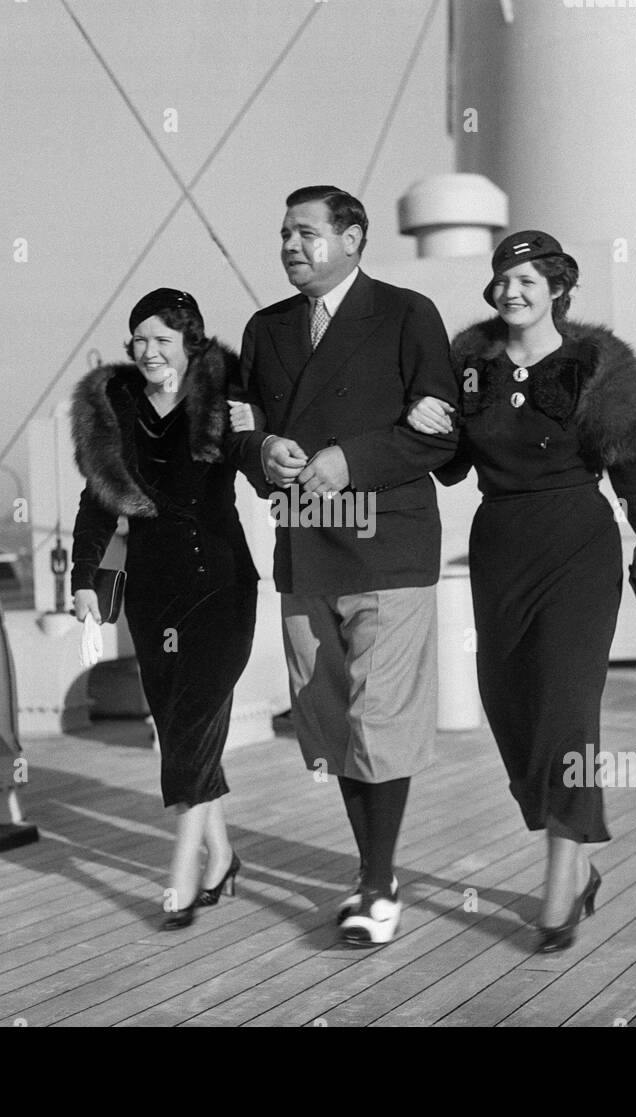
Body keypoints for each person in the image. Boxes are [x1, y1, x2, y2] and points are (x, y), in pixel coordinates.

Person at [406, 230, 636, 952]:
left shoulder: (598, 365)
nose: (511, 289)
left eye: (528, 278)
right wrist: (430, 420)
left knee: (565, 713)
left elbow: (632, 474)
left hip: (577, 550)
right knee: (509, 707)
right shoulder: (471, 363)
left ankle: (559, 888)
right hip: (499, 547)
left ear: (559, 287)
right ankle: (579, 855)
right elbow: (452, 468)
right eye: (502, 277)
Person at [227, 186, 458, 946]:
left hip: (387, 545)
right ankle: (374, 867)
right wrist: (261, 450)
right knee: (330, 717)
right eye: (284, 233)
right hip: (305, 542)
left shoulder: (406, 315)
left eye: (307, 232)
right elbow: (236, 427)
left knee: (378, 716)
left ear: (353, 237)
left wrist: (349, 458)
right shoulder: (265, 330)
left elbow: (440, 435)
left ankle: (375, 881)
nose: (291, 245)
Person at [70, 288, 258, 931]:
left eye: (162, 339)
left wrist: (255, 434)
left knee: (198, 719)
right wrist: (84, 580)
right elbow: (97, 503)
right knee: (180, 725)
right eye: (139, 340)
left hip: (221, 585)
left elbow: (263, 469)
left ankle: (185, 869)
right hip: (152, 592)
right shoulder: (115, 408)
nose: (149, 352)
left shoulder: (223, 401)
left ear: (190, 342)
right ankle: (225, 856)